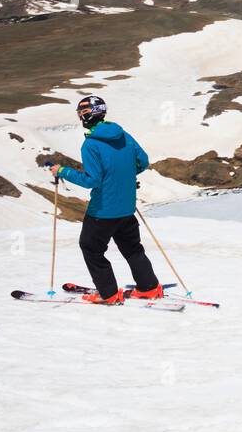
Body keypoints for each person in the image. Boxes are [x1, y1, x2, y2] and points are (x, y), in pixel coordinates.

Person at [42, 95, 164, 304]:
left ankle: (108, 293)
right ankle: (149, 288)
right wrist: (123, 176)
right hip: (127, 207)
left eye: (82, 114)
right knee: (133, 249)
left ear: (88, 115)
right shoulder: (122, 134)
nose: (81, 118)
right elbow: (142, 162)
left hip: (103, 211)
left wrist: (61, 170)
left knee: (91, 248)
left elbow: (92, 180)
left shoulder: (91, 144)